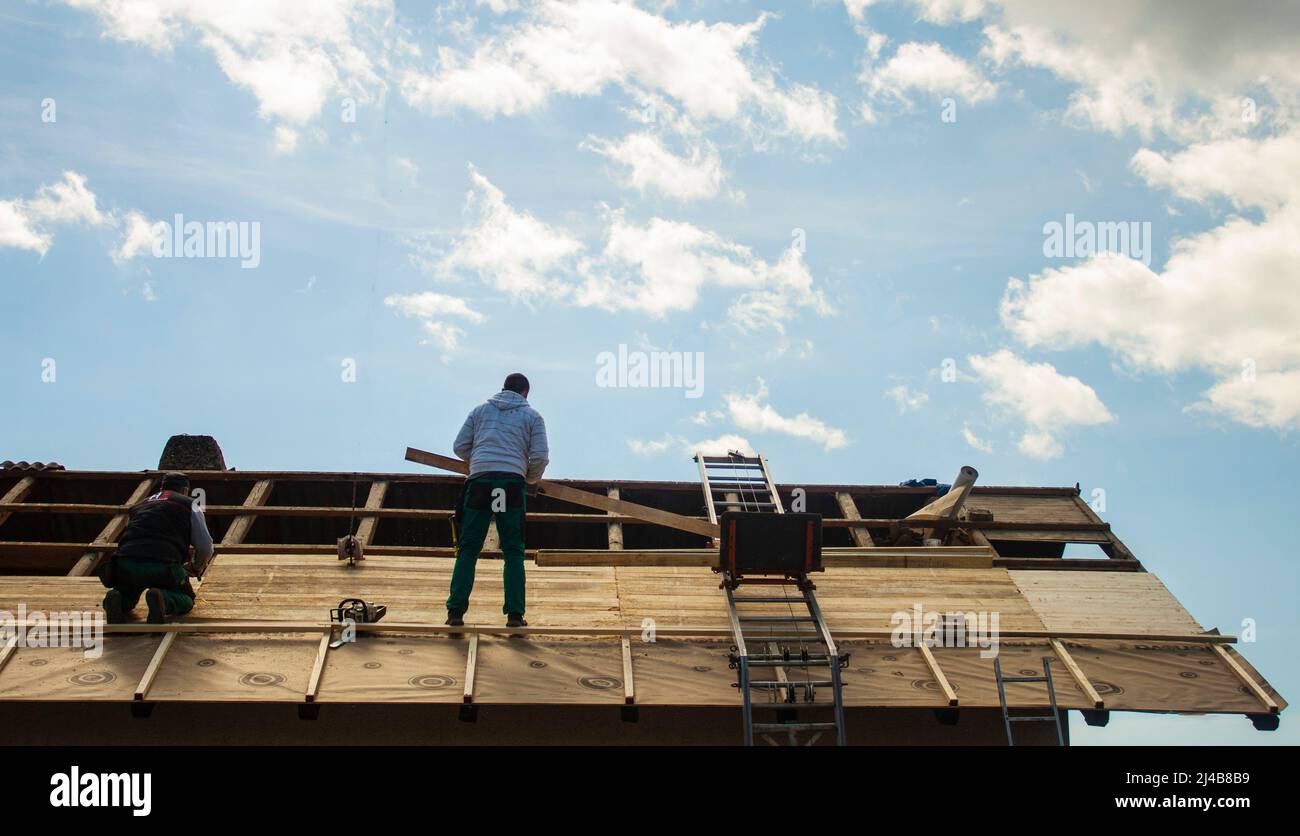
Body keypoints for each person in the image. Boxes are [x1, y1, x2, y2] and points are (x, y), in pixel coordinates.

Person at [446, 373, 549, 628]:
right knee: (513, 550)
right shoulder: (533, 417)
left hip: (480, 482)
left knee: (469, 548)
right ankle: (514, 615)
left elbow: (459, 446)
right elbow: (539, 457)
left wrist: (480, 458)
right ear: (526, 392)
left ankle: (455, 612)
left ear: (502, 388)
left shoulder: (480, 411)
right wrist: (528, 479)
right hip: (511, 485)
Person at [101, 472, 213, 624]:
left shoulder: (139, 506)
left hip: (124, 563)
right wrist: (196, 567)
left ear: (162, 487)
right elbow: (205, 547)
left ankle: (118, 600)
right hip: (162, 564)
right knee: (186, 599)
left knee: (128, 591)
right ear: (185, 490)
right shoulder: (189, 504)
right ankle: (163, 599)